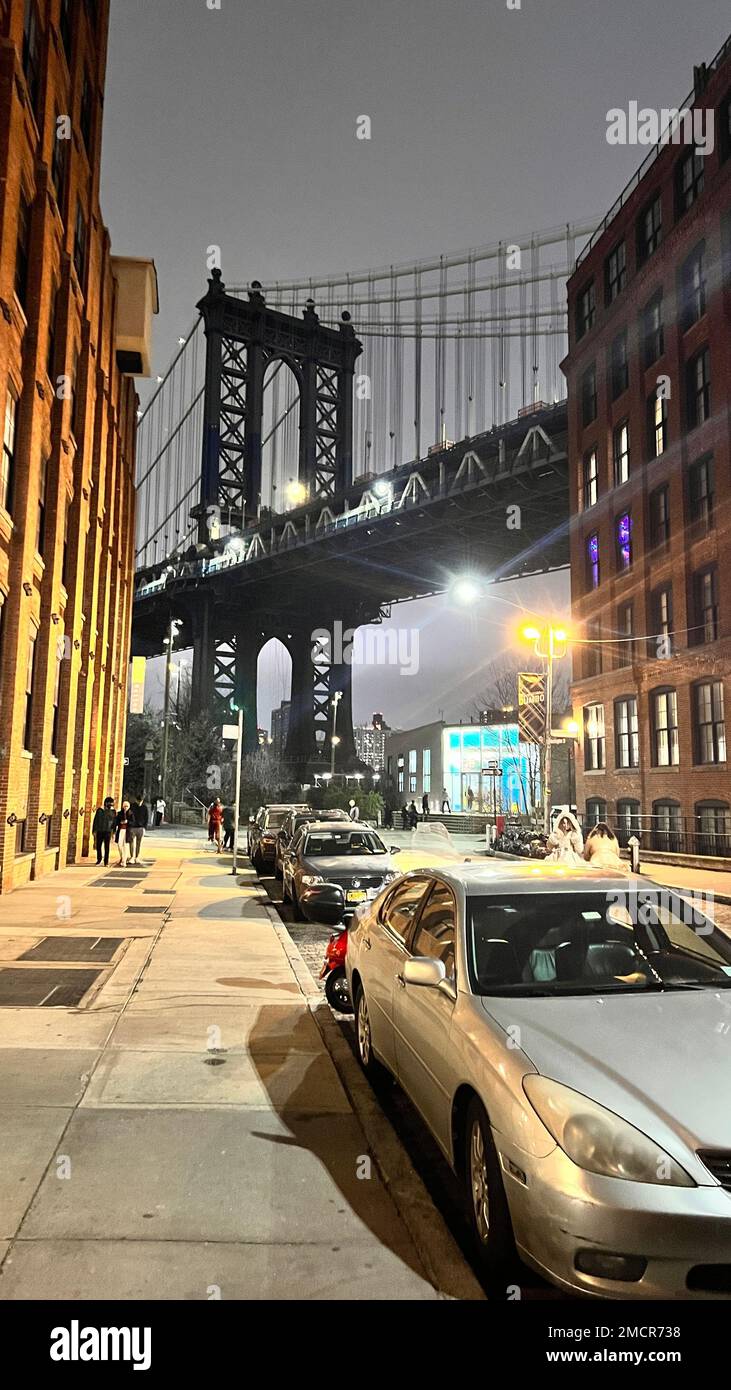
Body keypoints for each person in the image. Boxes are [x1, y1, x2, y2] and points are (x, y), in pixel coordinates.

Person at [92, 797, 115, 866]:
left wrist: (113, 832)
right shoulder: (99, 810)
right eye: (110, 803)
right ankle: (99, 859)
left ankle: (106, 861)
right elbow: (95, 821)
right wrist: (94, 830)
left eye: (112, 804)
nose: (111, 805)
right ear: (106, 803)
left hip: (108, 832)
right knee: (98, 846)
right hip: (100, 831)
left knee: (107, 847)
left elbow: (114, 822)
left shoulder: (113, 812)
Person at [127, 795, 148, 865]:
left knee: (139, 843)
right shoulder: (132, 806)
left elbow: (146, 817)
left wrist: (144, 827)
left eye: (141, 801)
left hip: (140, 828)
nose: (139, 802)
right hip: (132, 827)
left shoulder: (144, 807)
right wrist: (129, 825)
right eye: (138, 801)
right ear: (136, 800)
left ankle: (137, 856)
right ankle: (132, 857)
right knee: (131, 843)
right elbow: (128, 815)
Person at [114, 800, 132, 867]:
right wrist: (120, 822)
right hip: (120, 830)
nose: (125, 807)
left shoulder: (131, 813)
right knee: (119, 845)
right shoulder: (119, 813)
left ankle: (124, 861)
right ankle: (122, 857)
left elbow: (133, 822)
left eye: (127, 806)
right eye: (124, 806)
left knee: (125, 846)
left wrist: (127, 822)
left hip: (127, 831)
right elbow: (116, 822)